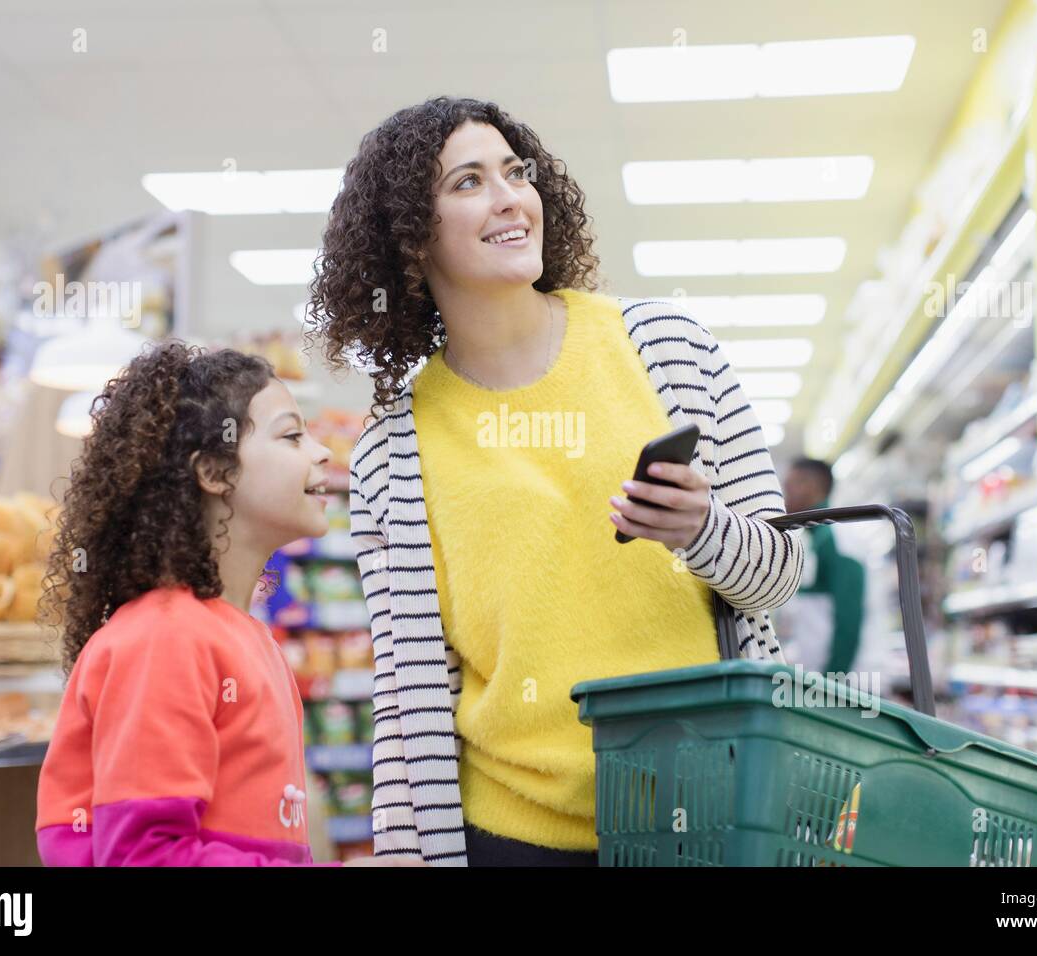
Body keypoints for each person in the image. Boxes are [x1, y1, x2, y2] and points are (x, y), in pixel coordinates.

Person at [307, 96, 806, 866]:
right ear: (411, 236)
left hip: (705, 815)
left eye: (516, 172)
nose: (509, 197)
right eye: (468, 182)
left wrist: (703, 531)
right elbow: (412, 698)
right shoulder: (391, 450)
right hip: (515, 835)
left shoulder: (667, 348)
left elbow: (779, 575)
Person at [34, 342, 423, 867]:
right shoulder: (164, 640)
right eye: (291, 436)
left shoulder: (240, 635)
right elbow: (145, 857)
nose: (321, 452)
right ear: (215, 473)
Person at [778, 457, 865, 675]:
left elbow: (848, 617)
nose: (783, 496)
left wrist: (833, 682)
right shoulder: (814, 539)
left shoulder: (837, 538)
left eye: (789, 487)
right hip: (819, 679)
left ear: (810, 486)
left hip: (843, 683)